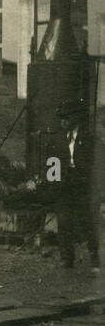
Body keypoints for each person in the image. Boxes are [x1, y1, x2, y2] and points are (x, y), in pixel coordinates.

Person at [52, 99, 100, 271]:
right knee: (63, 222)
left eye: (66, 117)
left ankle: (94, 256)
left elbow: (97, 164)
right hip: (64, 186)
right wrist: (53, 185)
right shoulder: (58, 139)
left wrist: (95, 188)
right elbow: (52, 162)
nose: (63, 121)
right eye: (61, 118)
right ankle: (67, 259)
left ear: (75, 118)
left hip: (83, 186)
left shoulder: (89, 138)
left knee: (86, 221)